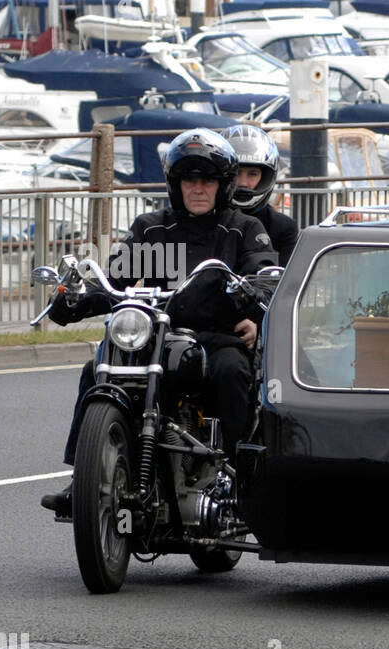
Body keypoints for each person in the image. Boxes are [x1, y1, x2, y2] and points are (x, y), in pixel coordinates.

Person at [41, 128, 277, 516]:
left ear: (222, 185)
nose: (198, 188)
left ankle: (232, 476)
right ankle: (81, 478)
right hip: (156, 336)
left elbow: (264, 270)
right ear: (176, 184)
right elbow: (115, 276)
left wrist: (257, 295)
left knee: (232, 371)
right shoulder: (152, 228)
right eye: (189, 179)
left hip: (217, 338)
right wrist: (76, 298)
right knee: (96, 369)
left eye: (207, 180)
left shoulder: (243, 228)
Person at [224, 124, 298, 264]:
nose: (243, 183)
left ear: (265, 177)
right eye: (236, 173)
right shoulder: (205, 220)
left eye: (252, 174)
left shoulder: (283, 227)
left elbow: (286, 281)